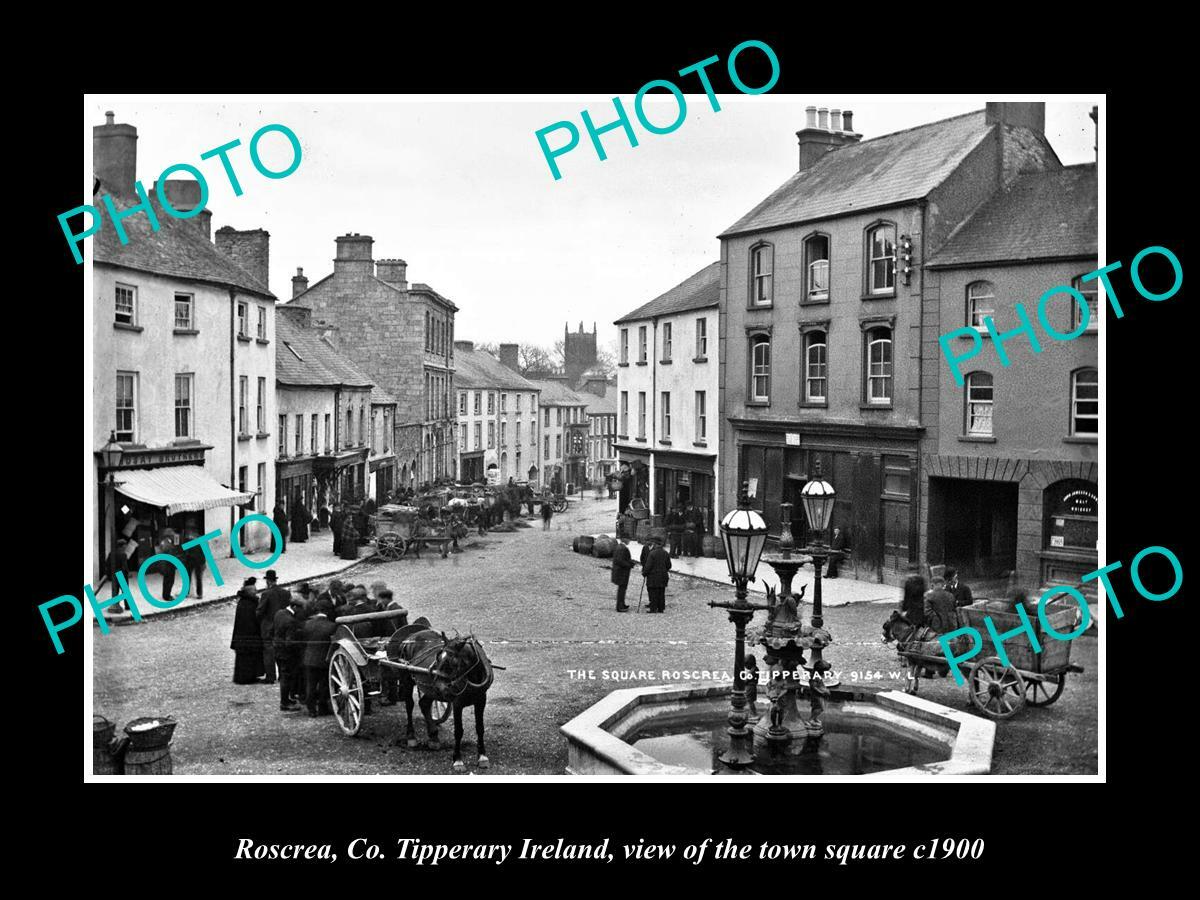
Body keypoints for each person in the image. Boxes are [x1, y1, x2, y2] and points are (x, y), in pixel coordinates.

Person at [301, 598, 337, 716]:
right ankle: (322, 708)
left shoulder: (307, 624)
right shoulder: (332, 626)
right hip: (324, 659)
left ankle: (311, 709)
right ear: (327, 611)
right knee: (324, 684)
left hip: (309, 658)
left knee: (310, 684)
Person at [257, 570, 290, 685]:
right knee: (281, 651)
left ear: (268, 581)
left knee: (269, 652)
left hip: (269, 626)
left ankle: (270, 676)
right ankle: (282, 675)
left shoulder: (266, 594)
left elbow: (260, 611)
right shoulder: (286, 593)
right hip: (282, 625)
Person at [273, 594, 305, 711]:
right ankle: (284, 703)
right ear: (295, 607)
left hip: (277, 650)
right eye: (300, 608)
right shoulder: (291, 620)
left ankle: (286, 699)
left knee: (283, 676)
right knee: (286, 678)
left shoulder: (279, 613)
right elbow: (290, 642)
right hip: (286, 654)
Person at [231, 577, 266, 684]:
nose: (256, 593)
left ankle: (245, 677)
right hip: (250, 635)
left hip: (242, 636)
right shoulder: (251, 603)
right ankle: (248, 677)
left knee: (244, 659)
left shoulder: (243, 603)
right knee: (249, 658)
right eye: (254, 591)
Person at [643, 535, 672, 613]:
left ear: (655, 544)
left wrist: (644, 573)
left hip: (653, 577)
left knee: (653, 592)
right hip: (663, 576)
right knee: (661, 592)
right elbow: (669, 565)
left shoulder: (652, 554)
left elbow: (648, 566)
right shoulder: (665, 553)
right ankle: (661, 608)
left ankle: (653, 608)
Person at [611, 537, 633, 611]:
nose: (629, 540)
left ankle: (622, 604)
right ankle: (620, 606)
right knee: (622, 590)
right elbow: (620, 561)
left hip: (619, 572)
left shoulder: (619, 547)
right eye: (629, 539)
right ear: (625, 539)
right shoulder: (623, 548)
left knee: (622, 589)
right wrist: (629, 564)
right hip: (622, 573)